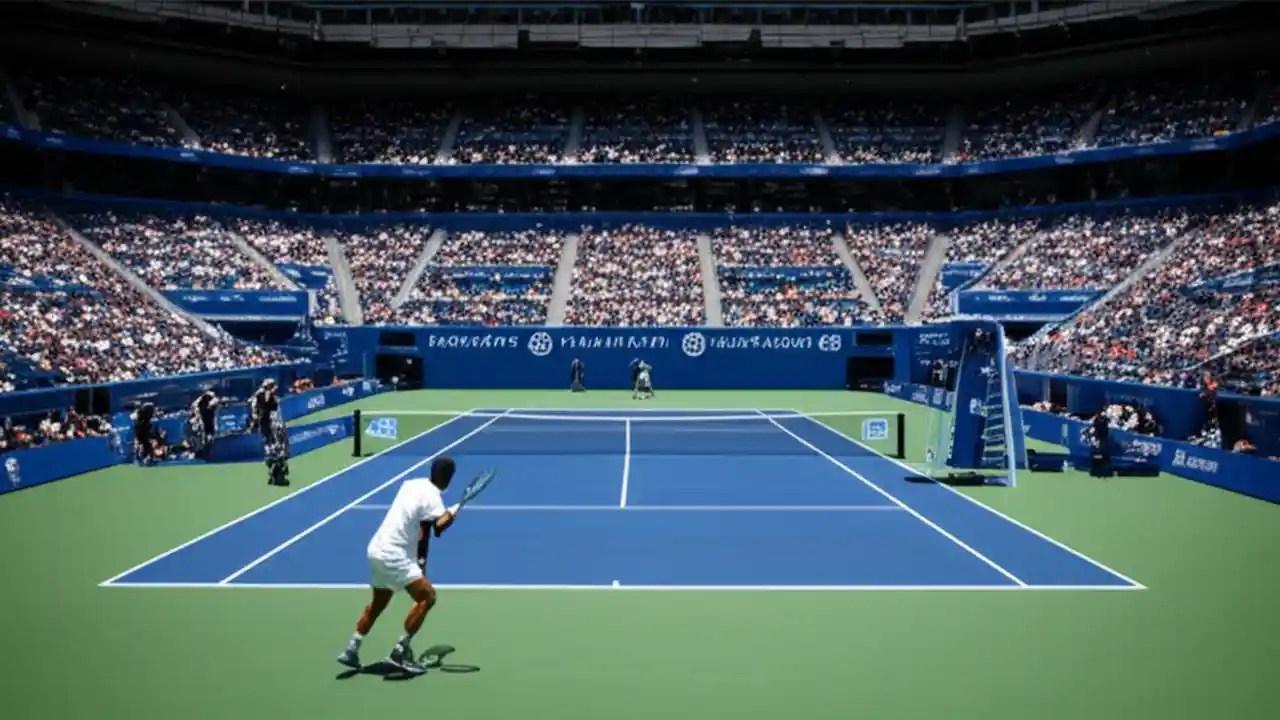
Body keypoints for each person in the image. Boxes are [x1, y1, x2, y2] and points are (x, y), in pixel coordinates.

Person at [337, 456, 460, 675]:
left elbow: (426, 530)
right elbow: (439, 525)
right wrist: (453, 511)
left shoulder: (411, 484)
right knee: (427, 597)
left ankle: (352, 648)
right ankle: (399, 651)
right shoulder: (433, 499)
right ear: (449, 478)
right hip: (395, 555)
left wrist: (420, 562)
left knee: (379, 602)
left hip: (376, 549)